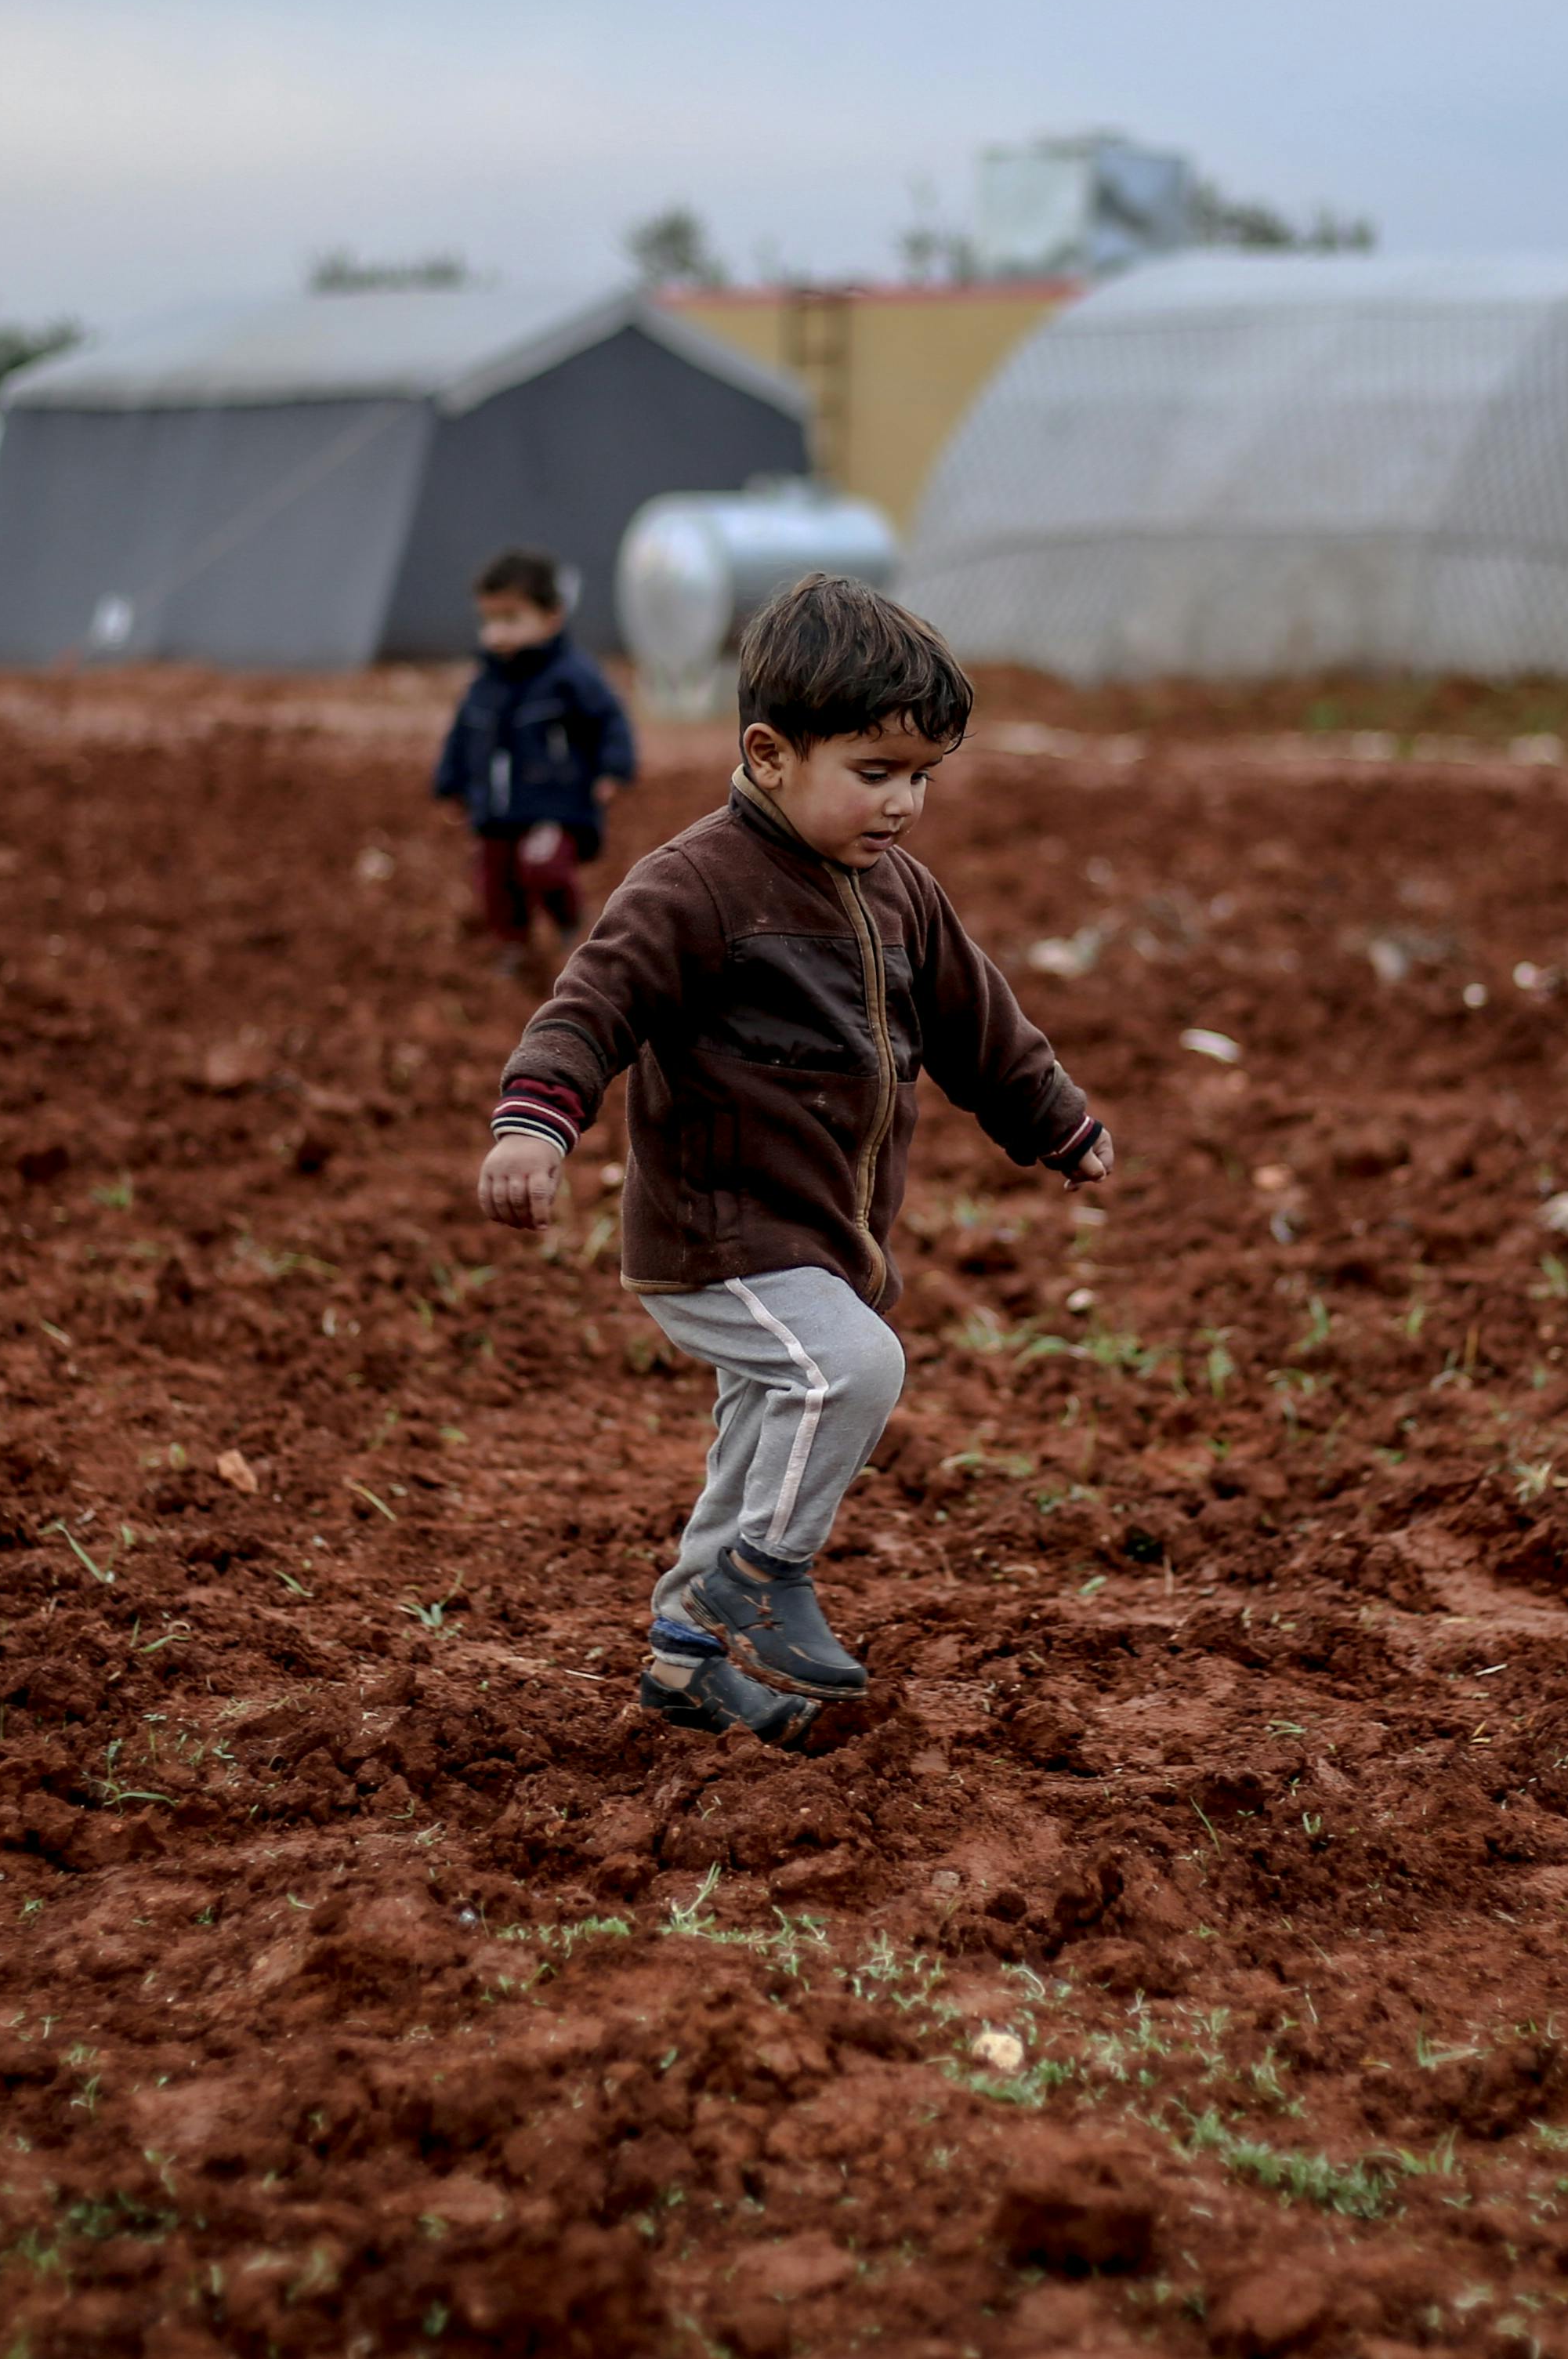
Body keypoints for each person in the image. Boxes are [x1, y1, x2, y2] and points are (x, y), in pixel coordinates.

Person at [477, 574, 1114, 1748]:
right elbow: (591, 1003)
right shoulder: (696, 886)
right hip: (719, 1235)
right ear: (770, 754)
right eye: (875, 772)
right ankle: (762, 1579)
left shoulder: (900, 897)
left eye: (922, 775)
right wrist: (536, 1120)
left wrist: (1055, 1122)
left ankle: (685, 1665)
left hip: (821, 1235)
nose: (906, 803)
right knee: (851, 1372)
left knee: (760, 1437)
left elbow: (982, 1024)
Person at [429, 547, 637, 973]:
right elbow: (463, 734)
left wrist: (613, 768)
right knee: (496, 881)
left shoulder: (572, 675)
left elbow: (609, 720)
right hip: (497, 808)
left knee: (543, 867)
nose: (497, 634)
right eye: (489, 621)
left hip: (556, 805)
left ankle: (569, 921)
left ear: (552, 617)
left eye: (511, 619)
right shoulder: (484, 683)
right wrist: (450, 782)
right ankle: (513, 947)